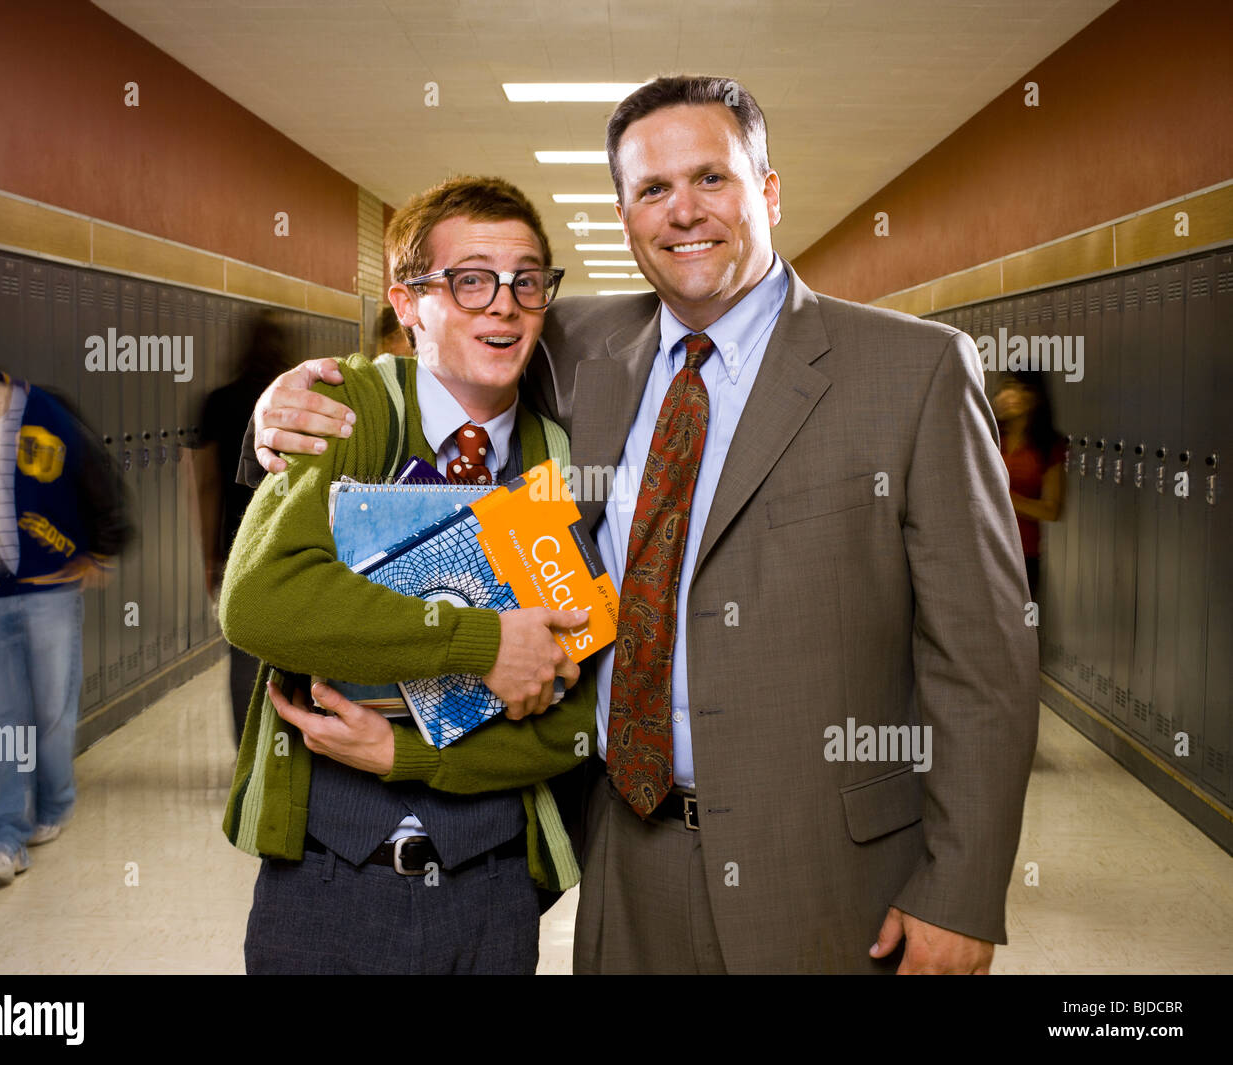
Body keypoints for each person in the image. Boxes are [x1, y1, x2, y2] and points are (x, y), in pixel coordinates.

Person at [244, 76, 1039, 974]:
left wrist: (962, 892)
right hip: (626, 855)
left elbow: (984, 658)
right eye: (653, 190)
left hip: (825, 871)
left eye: (713, 178)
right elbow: (439, 355)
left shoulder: (914, 370)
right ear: (624, 216)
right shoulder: (575, 346)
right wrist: (283, 406)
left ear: (769, 190)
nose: (683, 211)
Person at [217, 176, 597, 974]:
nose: (502, 303)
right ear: (408, 302)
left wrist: (413, 760)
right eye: (469, 279)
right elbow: (258, 601)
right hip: (324, 881)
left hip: (490, 887)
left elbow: (575, 725)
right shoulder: (347, 410)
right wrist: (484, 641)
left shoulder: (553, 462)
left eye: (526, 280)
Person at [0, 336, 132, 887]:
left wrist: (103, 546)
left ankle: (54, 802)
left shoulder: (41, 409)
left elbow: (96, 475)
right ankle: (2, 839)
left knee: (50, 708)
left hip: (49, 584)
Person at [193, 311, 294, 742]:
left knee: (243, 655)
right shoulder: (299, 400)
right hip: (291, 546)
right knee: (293, 651)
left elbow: (206, 487)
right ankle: (288, 747)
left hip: (238, 548)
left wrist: (209, 555)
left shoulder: (218, 402)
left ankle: (246, 755)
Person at [993, 371, 1066, 603]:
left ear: (1035, 397)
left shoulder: (1048, 445)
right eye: (1007, 387)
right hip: (984, 548)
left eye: (1020, 388)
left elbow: (1052, 510)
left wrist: (1003, 497)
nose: (1010, 395)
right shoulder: (989, 435)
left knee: (1019, 630)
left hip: (1023, 554)